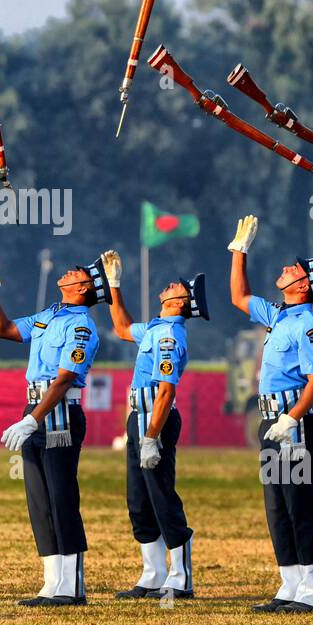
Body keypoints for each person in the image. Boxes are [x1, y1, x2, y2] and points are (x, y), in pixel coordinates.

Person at [0, 251, 106, 607]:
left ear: (83, 287)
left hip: (58, 411)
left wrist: (33, 420)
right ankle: (51, 583)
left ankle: (71, 586)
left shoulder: (82, 326)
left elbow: (64, 380)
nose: (69, 270)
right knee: (39, 500)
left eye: (77, 272)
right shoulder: (50, 314)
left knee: (61, 498)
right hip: (35, 405)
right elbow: (5, 329)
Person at [227, 215, 313, 614]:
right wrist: (239, 251)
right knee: (276, 506)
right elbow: (239, 297)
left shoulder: (307, 324)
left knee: (299, 504)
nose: (286, 268)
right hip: (271, 420)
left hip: (295, 422)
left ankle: (311, 590)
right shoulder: (279, 314)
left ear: (303, 285)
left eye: (295, 269)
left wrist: (292, 418)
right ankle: (289, 586)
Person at [100, 250, 206, 600]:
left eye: (180, 286)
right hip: (138, 417)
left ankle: (180, 576)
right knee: (138, 500)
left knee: (162, 497)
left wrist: (150, 437)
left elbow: (165, 391)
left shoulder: (169, 337)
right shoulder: (156, 328)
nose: (172, 284)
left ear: (179, 302)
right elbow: (120, 326)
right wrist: (114, 284)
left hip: (153, 421)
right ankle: (152, 573)